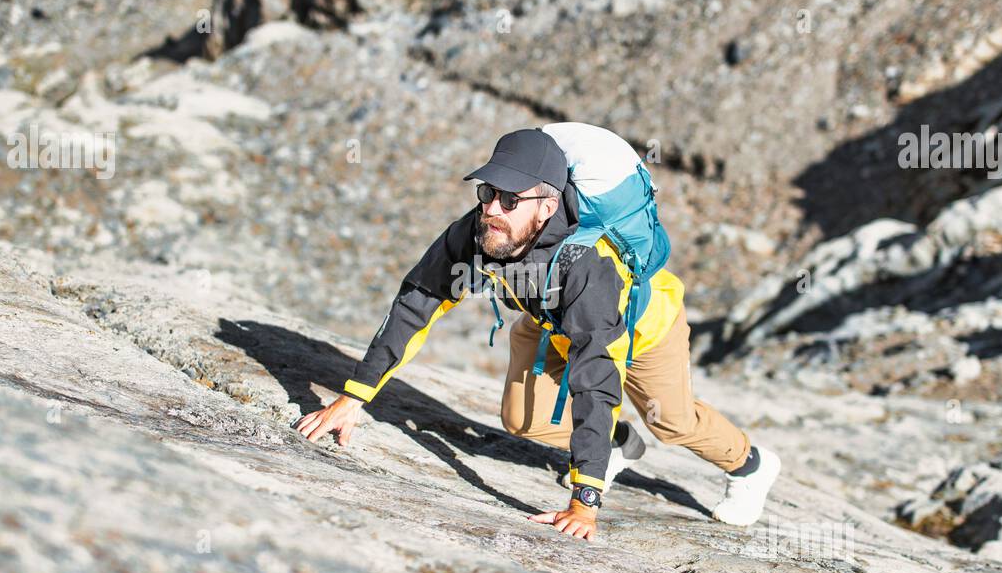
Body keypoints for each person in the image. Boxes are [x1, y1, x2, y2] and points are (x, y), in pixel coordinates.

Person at [296, 127, 781, 541]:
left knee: (671, 422)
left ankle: (751, 465)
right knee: (523, 422)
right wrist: (353, 398)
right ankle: (615, 444)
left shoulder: (590, 264)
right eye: (487, 192)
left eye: (510, 199)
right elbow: (416, 304)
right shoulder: (478, 233)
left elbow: (596, 374)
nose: (493, 209)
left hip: (640, 334)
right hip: (550, 324)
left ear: (548, 207)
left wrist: (584, 499)